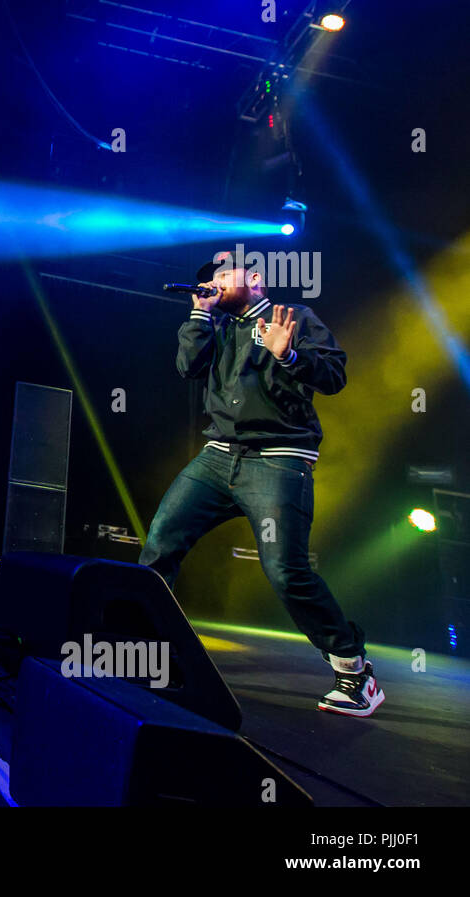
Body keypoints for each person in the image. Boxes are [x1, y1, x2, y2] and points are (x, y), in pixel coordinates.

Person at [138, 251, 381, 718]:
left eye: (221, 274)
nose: (213, 282)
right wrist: (197, 314)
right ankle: (145, 652)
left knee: (287, 571)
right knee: (160, 545)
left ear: (254, 278)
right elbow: (187, 367)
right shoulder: (217, 325)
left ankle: (355, 670)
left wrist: (288, 353)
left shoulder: (296, 317)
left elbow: (335, 376)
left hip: (277, 461)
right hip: (218, 456)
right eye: (208, 279)